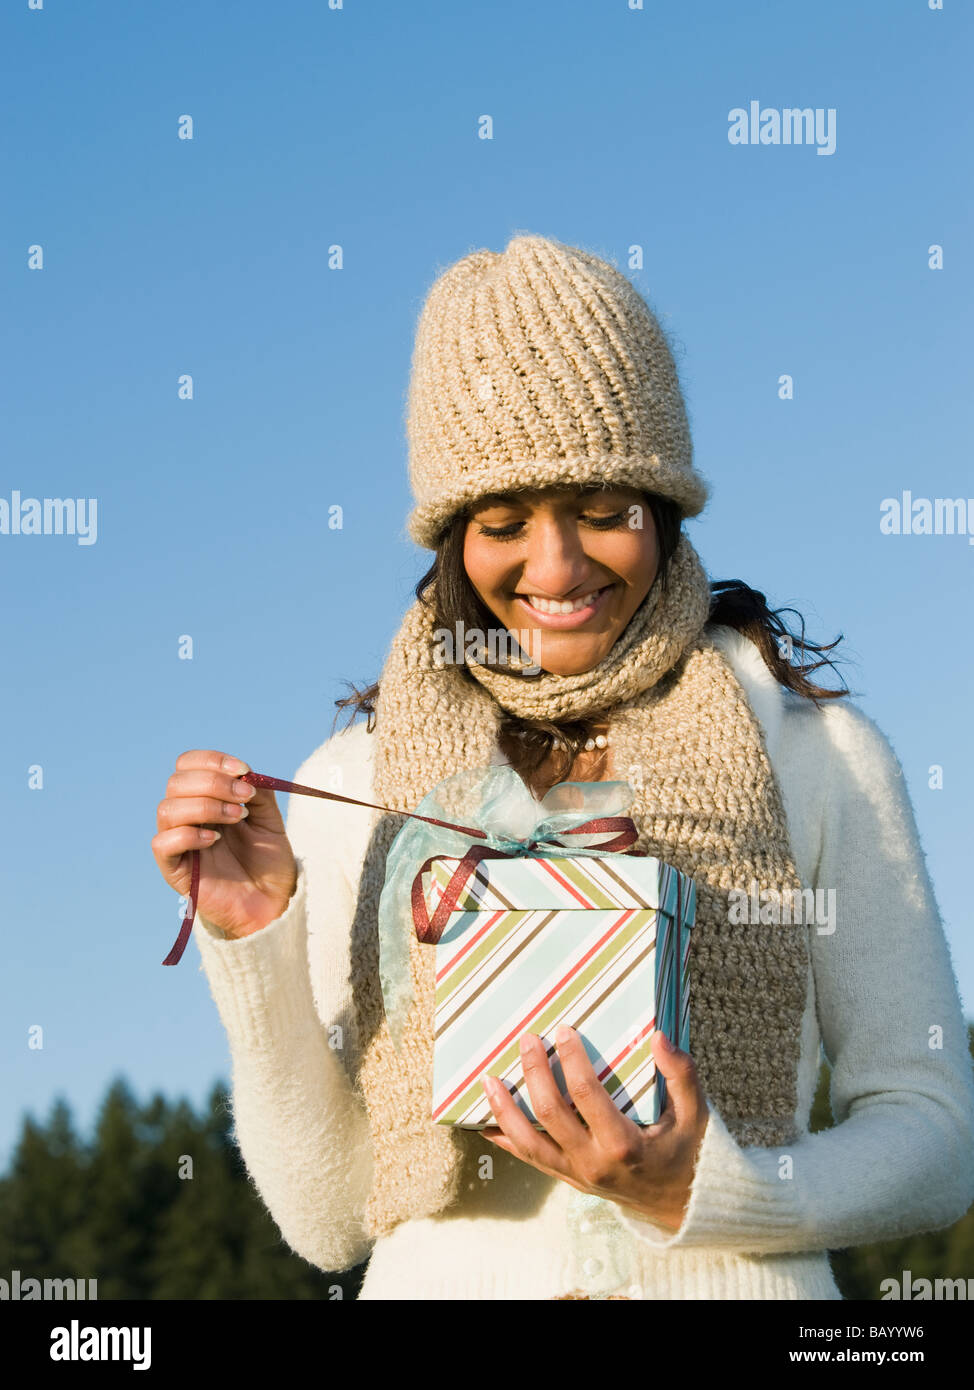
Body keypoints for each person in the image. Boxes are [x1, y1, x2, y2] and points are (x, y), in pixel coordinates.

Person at [151, 234, 974, 1300]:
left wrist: (704, 1191)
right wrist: (250, 934)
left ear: (662, 505)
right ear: (451, 539)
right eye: (502, 523)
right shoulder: (356, 784)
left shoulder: (815, 759)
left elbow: (933, 1140)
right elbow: (327, 1218)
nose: (556, 567)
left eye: (600, 512)